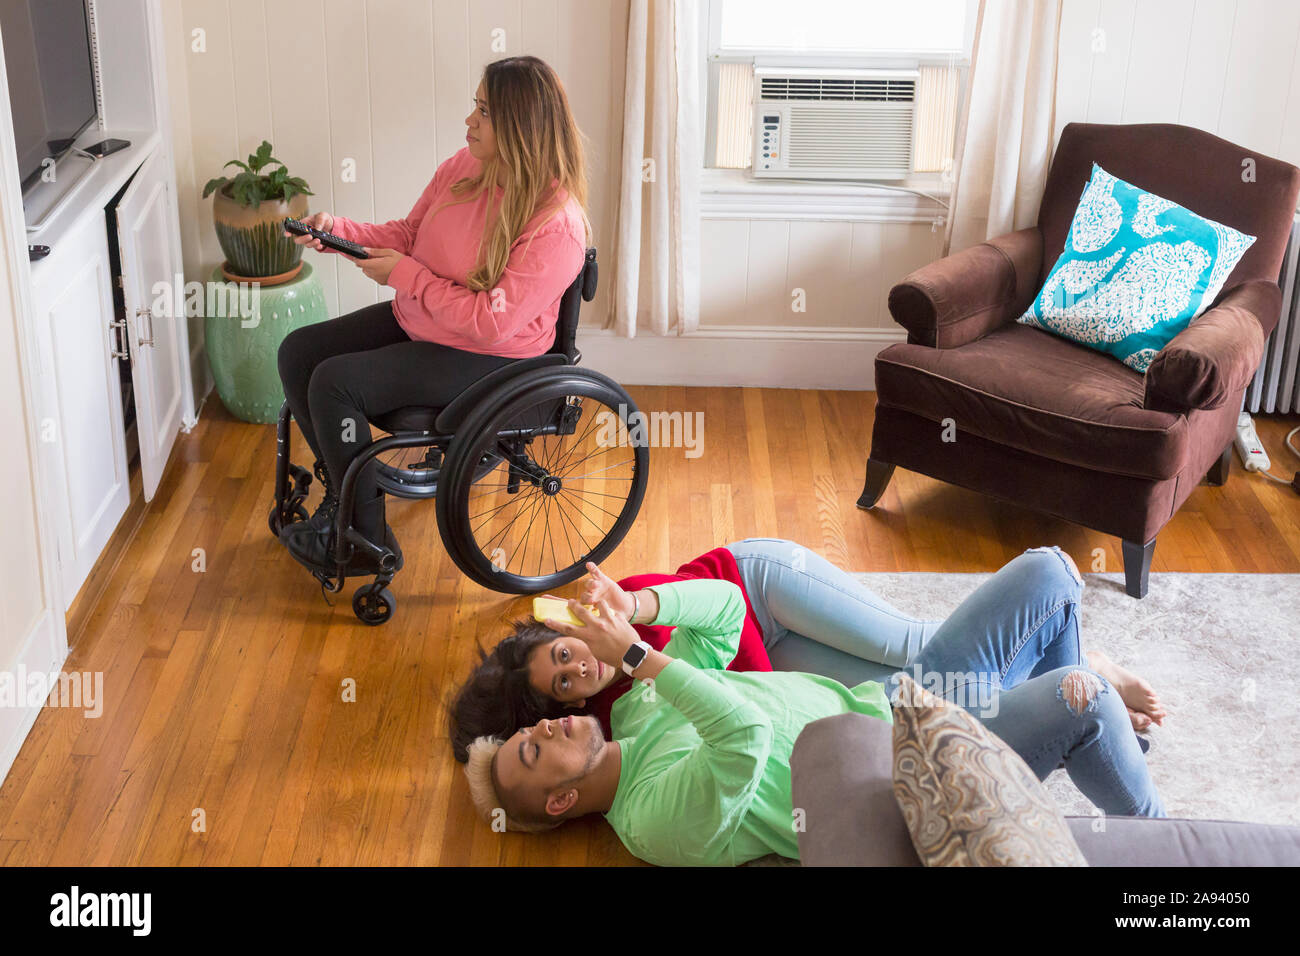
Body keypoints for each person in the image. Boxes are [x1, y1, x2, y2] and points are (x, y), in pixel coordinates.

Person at [463, 546, 1169, 866]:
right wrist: (639, 656)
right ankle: (1168, 845)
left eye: (530, 729)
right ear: (559, 802)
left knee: (1050, 571)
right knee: (1083, 698)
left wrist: (639, 606)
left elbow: (727, 608)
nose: (548, 724)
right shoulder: (649, 822)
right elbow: (744, 735)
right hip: (916, 774)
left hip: (898, 701)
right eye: (534, 748)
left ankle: (1080, 755)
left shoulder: (634, 715)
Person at [275, 55, 591, 575]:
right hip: (427, 319)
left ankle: (363, 537)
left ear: (518, 126)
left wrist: (408, 277)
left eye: (484, 112)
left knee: (335, 383)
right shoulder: (465, 167)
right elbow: (409, 237)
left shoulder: (557, 224)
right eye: (475, 106)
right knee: (300, 353)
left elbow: (491, 320)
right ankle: (344, 494)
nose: (470, 120)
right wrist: (337, 233)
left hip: (489, 354)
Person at [448, 538, 1165, 762]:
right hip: (766, 662)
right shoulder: (608, 722)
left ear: (567, 631)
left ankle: (1081, 669)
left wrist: (634, 616)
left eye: (566, 652)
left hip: (762, 588)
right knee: (923, 687)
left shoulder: (622, 606)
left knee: (918, 651)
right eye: (567, 682)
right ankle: (1073, 681)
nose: (581, 666)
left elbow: (729, 628)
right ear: (567, 705)